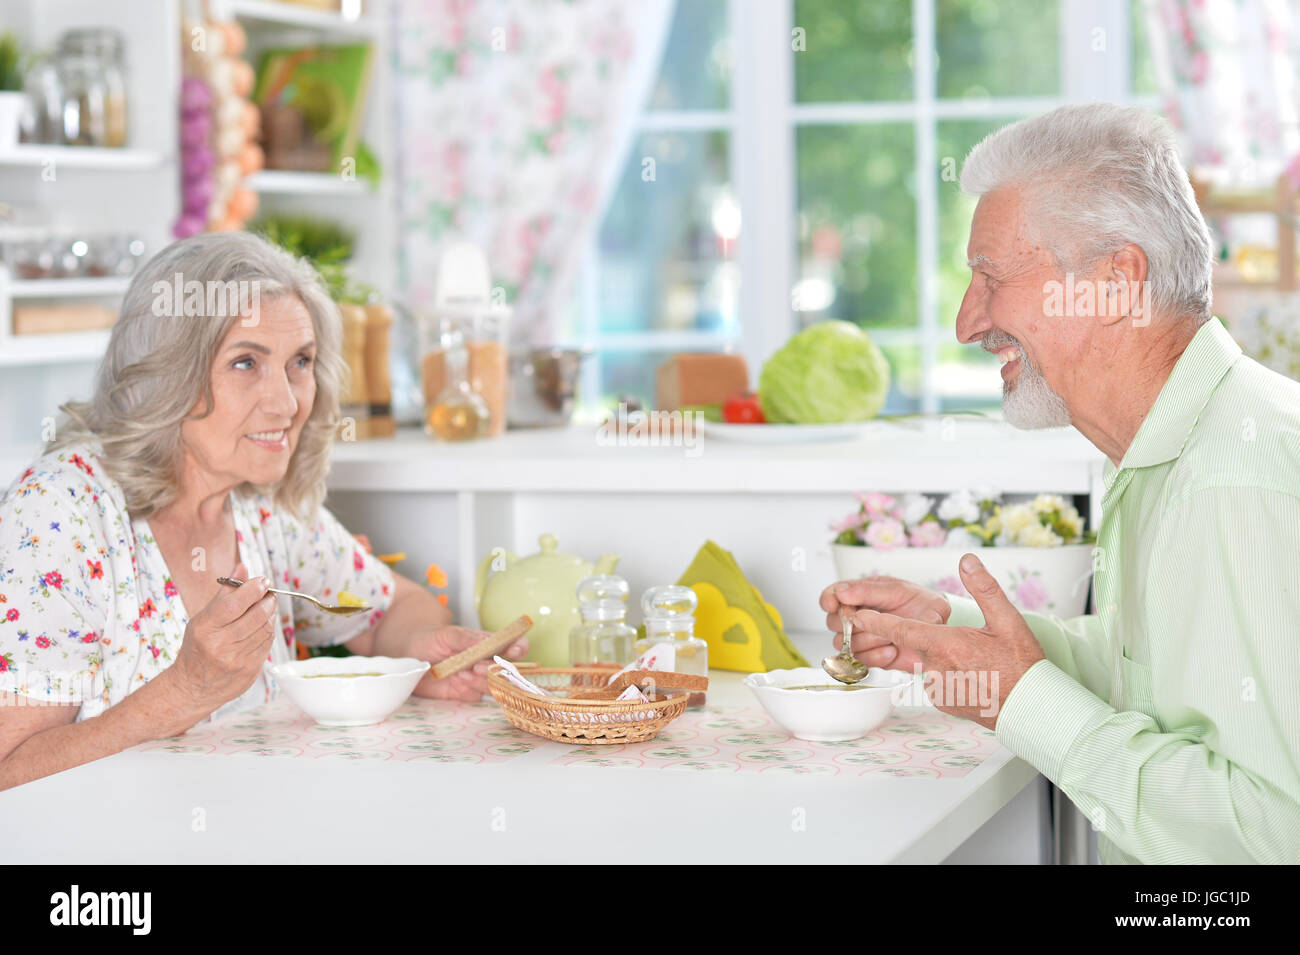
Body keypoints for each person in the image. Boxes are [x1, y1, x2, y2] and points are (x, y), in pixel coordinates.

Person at [822, 103, 1300, 864]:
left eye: (991, 278)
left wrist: (1023, 699)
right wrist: (964, 639)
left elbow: (1272, 833)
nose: (966, 322)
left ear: (1115, 280)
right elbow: (1163, 685)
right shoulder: (1172, 445)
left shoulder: (1231, 479)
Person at [0, 231, 527, 790]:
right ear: (164, 373)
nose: (288, 401)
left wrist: (418, 655)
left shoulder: (258, 506)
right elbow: (8, 771)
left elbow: (392, 608)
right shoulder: (61, 514)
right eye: (246, 362)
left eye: (300, 362)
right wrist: (184, 690)